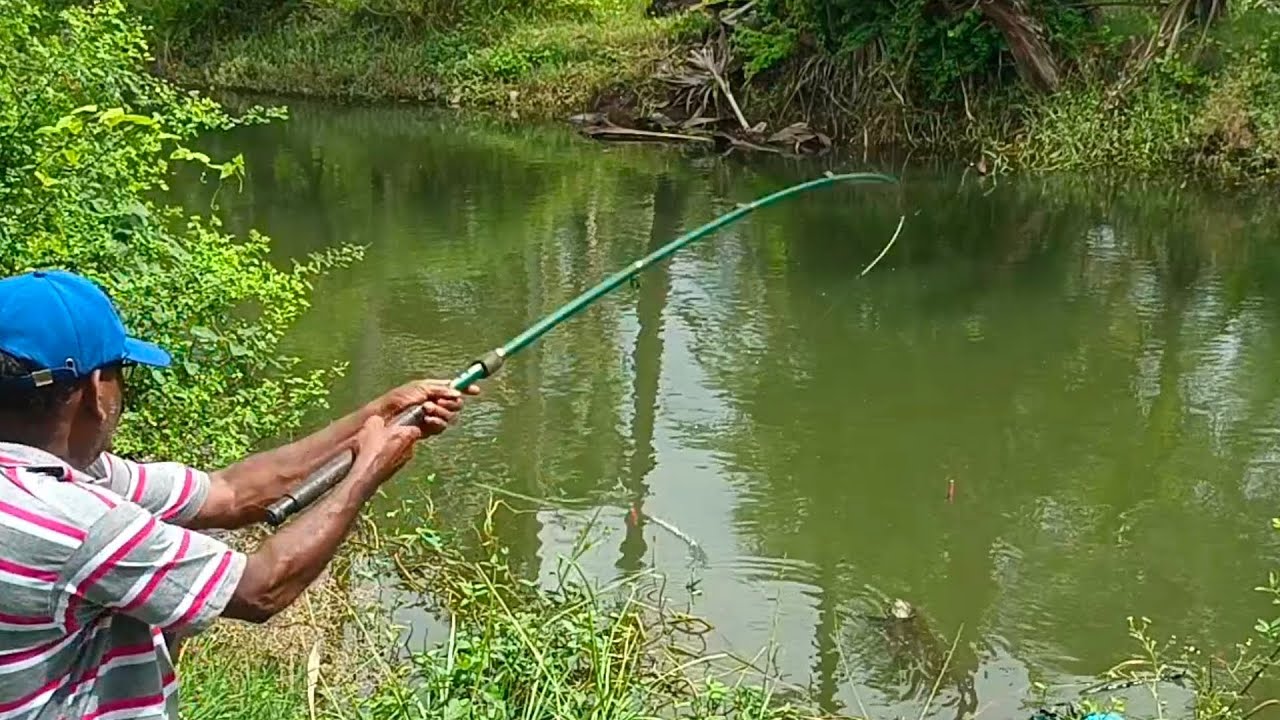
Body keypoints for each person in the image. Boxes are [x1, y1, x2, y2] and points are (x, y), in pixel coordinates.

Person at [0, 269, 477, 718]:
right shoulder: (83, 525)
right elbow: (260, 588)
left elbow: (227, 492)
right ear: (95, 389)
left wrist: (377, 413)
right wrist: (368, 472)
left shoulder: (65, 477)